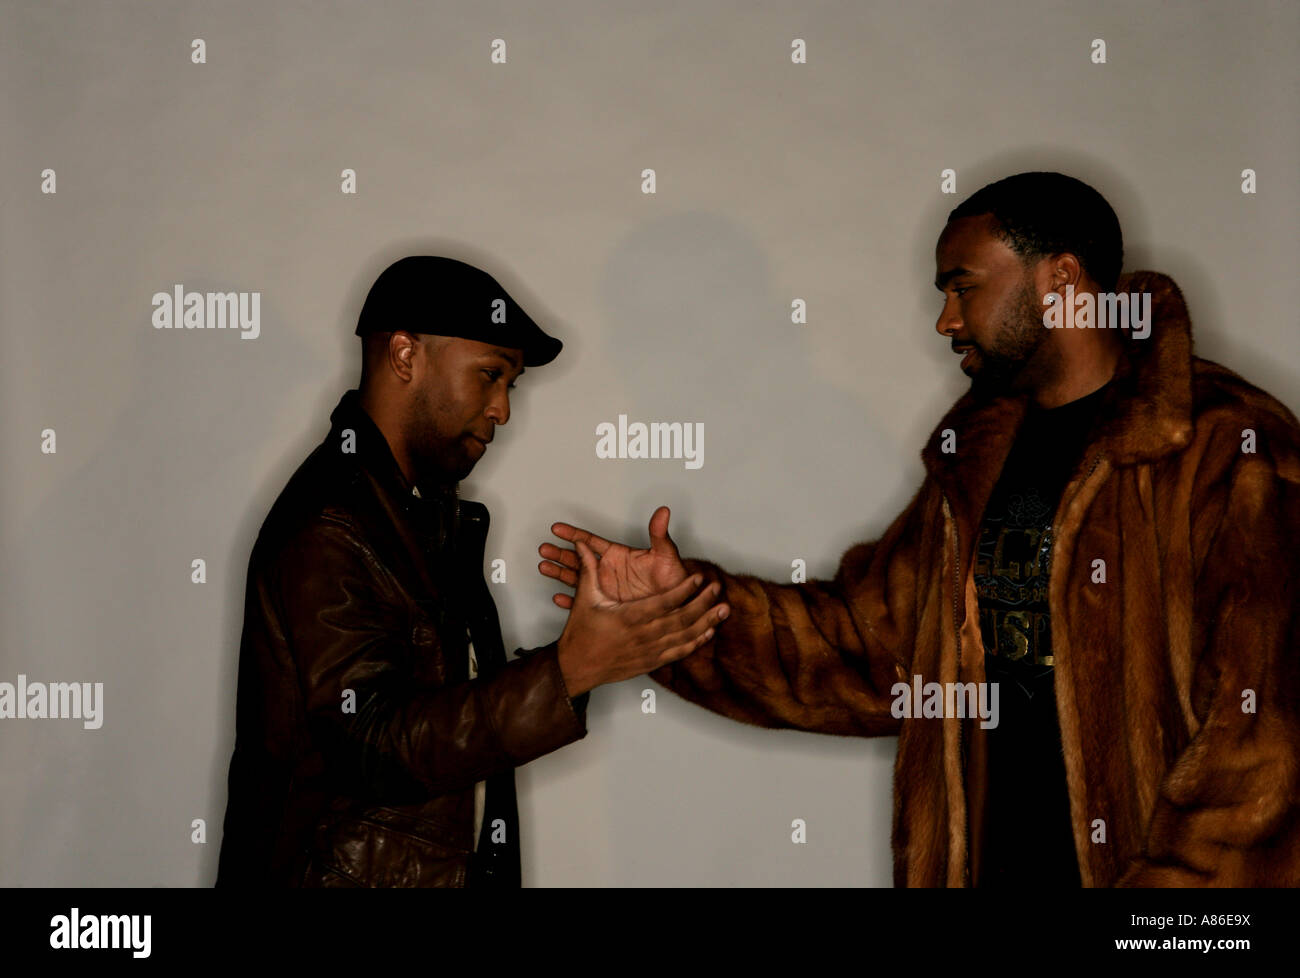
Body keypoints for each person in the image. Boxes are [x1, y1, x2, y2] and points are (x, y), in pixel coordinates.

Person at [539, 172, 1300, 887]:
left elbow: (1264, 744)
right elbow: (870, 652)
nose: (945, 320)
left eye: (963, 287)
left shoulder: (1228, 449)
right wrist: (681, 607)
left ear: (1061, 280)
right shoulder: (974, 462)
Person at [215, 255, 728, 887]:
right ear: (405, 355)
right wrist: (568, 670)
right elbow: (373, 744)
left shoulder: (413, 513)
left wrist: (592, 640)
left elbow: (442, 704)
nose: (503, 410)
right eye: (489, 375)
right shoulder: (333, 522)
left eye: (509, 385)